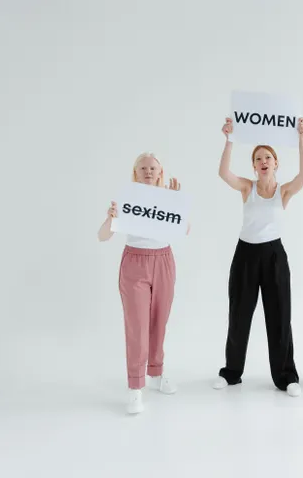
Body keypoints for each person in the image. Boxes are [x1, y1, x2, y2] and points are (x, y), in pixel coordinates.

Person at [213, 117, 303, 397]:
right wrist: (229, 139)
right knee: (239, 314)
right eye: (258, 158)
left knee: (280, 316)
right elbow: (223, 173)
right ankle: (231, 372)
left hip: (274, 256)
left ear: (276, 163)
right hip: (245, 255)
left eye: (268, 157)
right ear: (254, 165)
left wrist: (302, 140)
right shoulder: (247, 187)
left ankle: (286, 377)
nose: (263, 161)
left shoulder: (284, 191)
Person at [97, 152, 188, 414]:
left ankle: (156, 373)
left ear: (160, 173)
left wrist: (176, 206)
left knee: (159, 322)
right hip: (135, 263)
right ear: (135, 173)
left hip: (163, 261)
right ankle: (135, 387)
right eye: (143, 168)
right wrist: (110, 217)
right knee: (137, 325)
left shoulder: (168, 200)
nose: (148, 172)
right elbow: (103, 236)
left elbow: (186, 229)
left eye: (153, 168)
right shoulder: (126, 201)